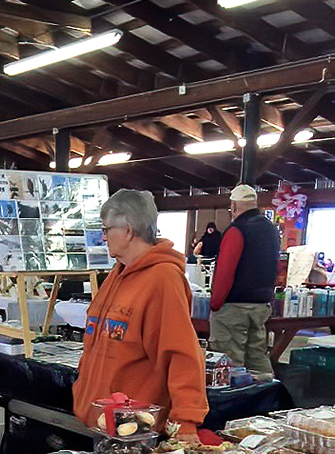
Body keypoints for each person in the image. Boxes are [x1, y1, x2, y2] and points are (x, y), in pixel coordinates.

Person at [73, 189, 208, 440]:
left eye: (106, 230)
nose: (104, 238)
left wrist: (186, 422)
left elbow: (182, 354)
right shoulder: (118, 274)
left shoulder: (163, 279)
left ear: (128, 230)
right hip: (104, 425)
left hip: (136, 431)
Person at [209, 184, 280, 377]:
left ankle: (233, 403)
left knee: (228, 364)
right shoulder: (271, 229)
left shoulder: (236, 230)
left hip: (234, 308)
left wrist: (215, 303)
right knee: (257, 360)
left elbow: (225, 272)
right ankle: (268, 400)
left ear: (233, 207)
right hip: (261, 306)